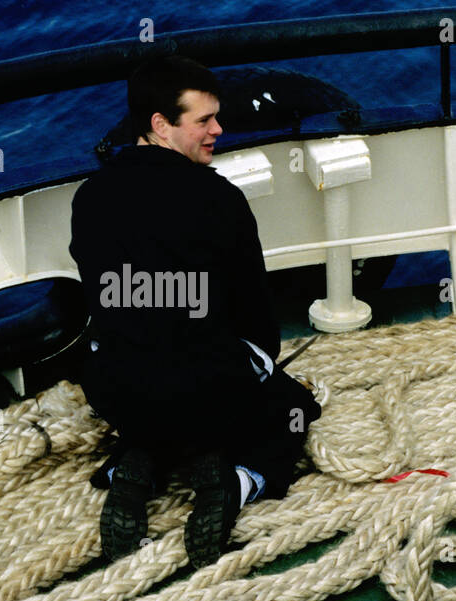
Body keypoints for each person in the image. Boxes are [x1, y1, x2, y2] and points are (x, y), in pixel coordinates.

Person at [69, 55, 321, 567]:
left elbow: (103, 297)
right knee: (296, 412)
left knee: (155, 389)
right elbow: (256, 320)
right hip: (207, 395)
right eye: (204, 120)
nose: (218, 130)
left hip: (118, 391)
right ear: (160, 125)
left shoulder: (89, 197)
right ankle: (236, 479)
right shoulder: (219, 198)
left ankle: (134, 466)